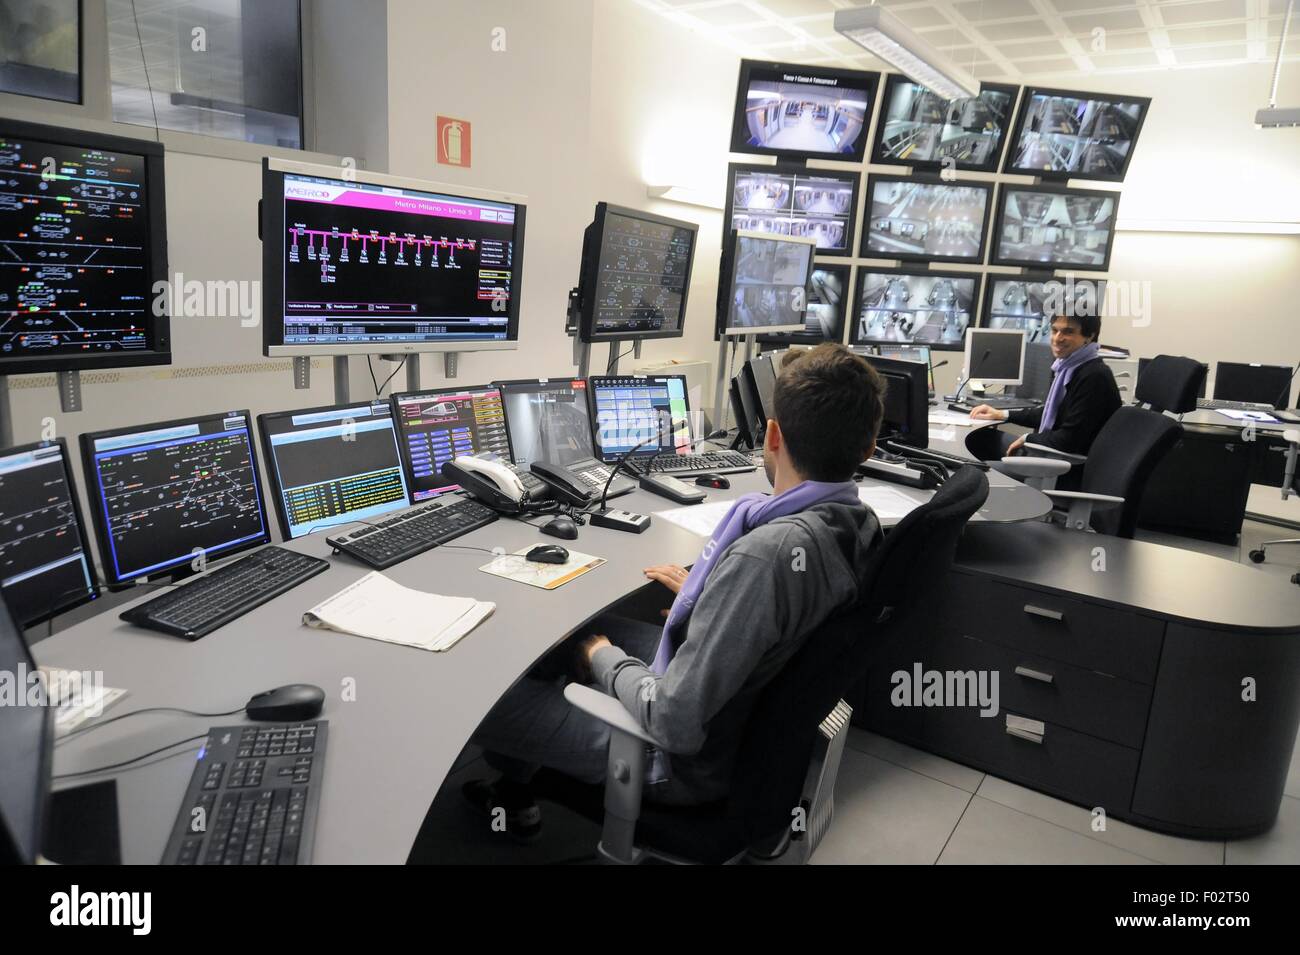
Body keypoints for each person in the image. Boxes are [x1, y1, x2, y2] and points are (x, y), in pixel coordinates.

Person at [463, 343, 885, 840]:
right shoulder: (854, 522)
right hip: (739, 719)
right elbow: (780, 623)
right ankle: (516, 795)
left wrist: (603, 658)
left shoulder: (767, 554)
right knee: (548, 639)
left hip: (678, 759)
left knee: (480, 693)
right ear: (867, 449)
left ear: (772, 434)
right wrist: (720, 597)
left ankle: (521, 781)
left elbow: (673, 720)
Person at [969, 309, 1120, 457]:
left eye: (1068, 332)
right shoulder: (1069, 368)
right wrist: (1001, 414)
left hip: (1065, 463)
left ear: (1089, 336)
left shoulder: (1093, 376)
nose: (1057, 338)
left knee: (976, 442)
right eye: (1055, 330)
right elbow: (1051, 413)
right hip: (1056, 451)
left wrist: (1028, 438)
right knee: (982, 438)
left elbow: (1070, 439)